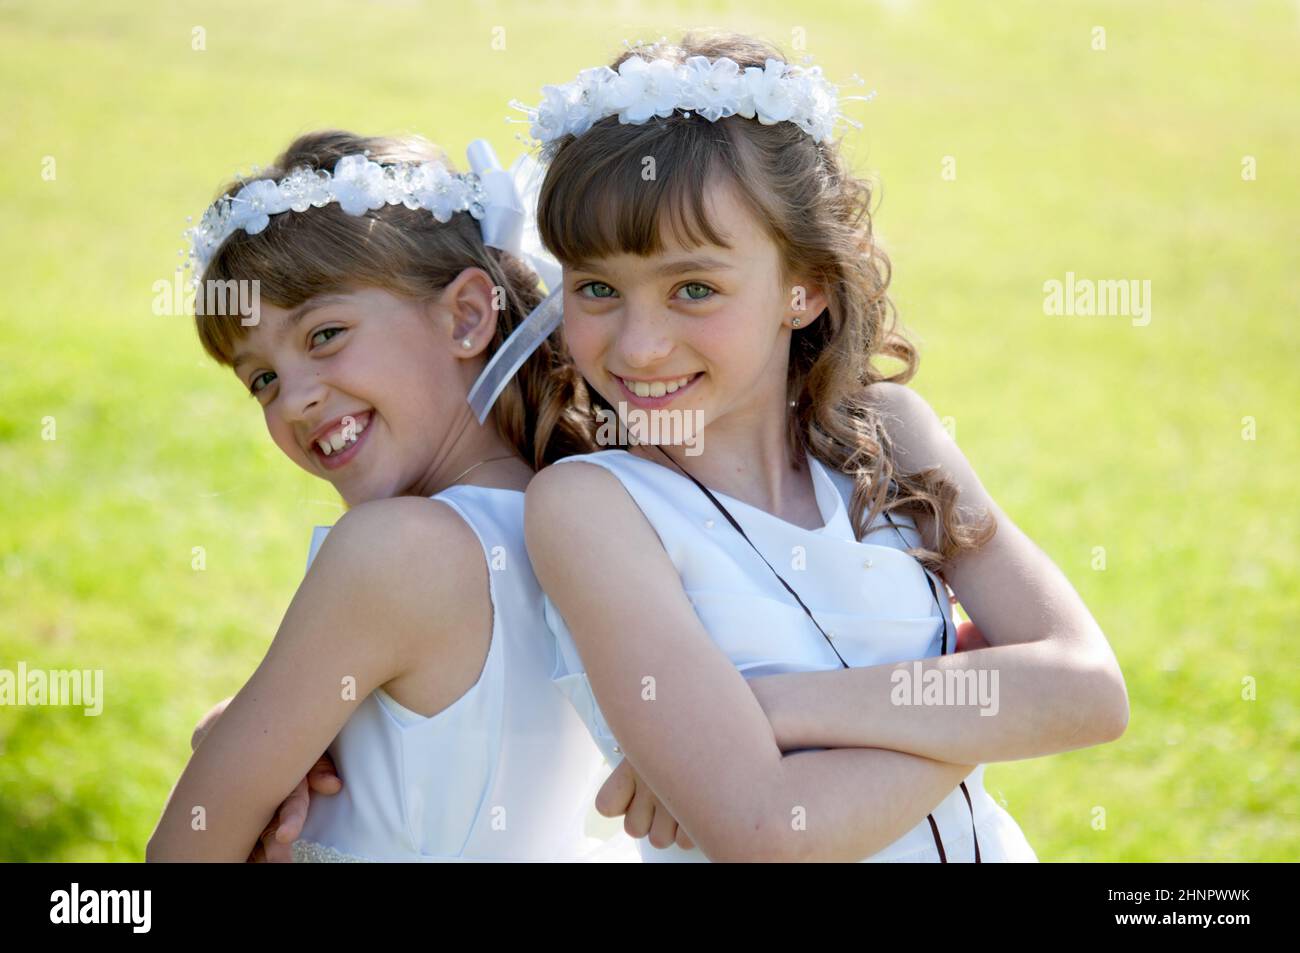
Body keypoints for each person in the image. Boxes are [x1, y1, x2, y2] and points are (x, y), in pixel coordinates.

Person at [522, 32, 1129, 861]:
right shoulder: (592, 509)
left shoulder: (891, 435)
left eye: (693, 288)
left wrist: (774, 709)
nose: (637, 346)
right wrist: (988, 700)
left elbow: (1090, 690)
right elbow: (771, 831)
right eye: (596, 288)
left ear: (802, 286)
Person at [147, 130, 635, 861]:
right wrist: (262, 729)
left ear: (467, 315)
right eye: (262, 380)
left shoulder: (396, 551)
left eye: (325, 334)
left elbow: (178, 856)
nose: (295, 402)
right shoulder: (591, 512)